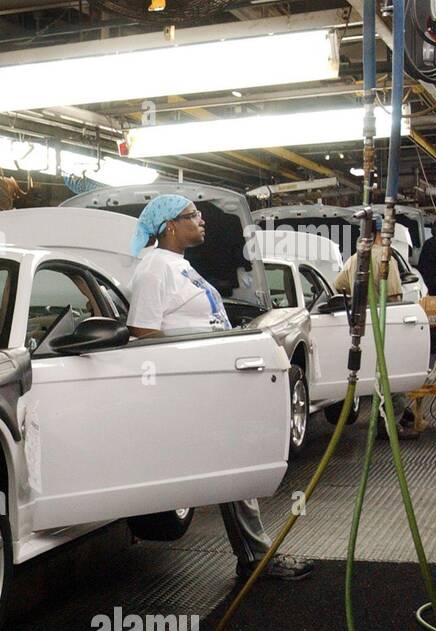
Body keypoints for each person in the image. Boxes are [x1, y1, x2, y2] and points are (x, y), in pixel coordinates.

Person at [125, 194, 315, 581]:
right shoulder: (153, 270)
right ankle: (255, 558)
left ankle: (254, 557)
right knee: (234, 465)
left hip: (210, 382)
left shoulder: (178, 266)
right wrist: (192, 363)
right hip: (190, 386)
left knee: (238, 466)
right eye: (192, 216)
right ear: (169, 227)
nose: (202, 220)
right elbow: (143, 333)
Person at [331, 216, 418, 440]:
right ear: (383, 234)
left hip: (362, 325)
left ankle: (381, 418)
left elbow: (338, 285)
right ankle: (390, 422)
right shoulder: (386, 259)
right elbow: (395, 295)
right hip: (383, 324)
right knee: (392, 374)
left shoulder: (354, 258)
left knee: (371, 373)